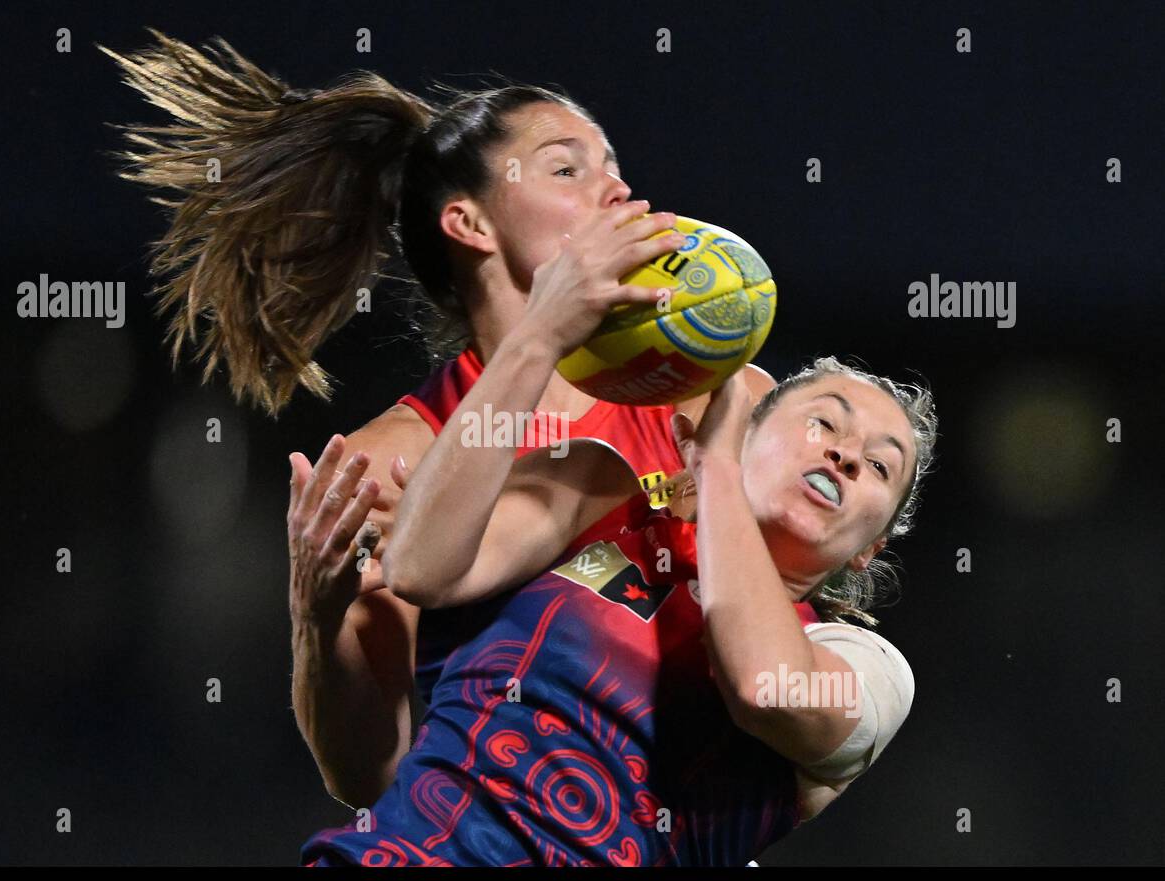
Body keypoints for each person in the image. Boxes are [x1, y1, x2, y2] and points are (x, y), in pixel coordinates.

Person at [101, 31, 779, 810]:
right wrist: (317, 626)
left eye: (615, 171)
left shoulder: (704, 399)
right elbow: (367, 774)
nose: (617, 192)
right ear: (470, 224)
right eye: (569, 169)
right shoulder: (392, 462)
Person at [297, 337, 938, 865]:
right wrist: (323, 615)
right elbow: (419, 571)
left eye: (881, 467)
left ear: (869, 549)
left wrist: (714, 468)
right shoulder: (599, 492)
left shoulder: (864, 668)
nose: (847, 455)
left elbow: (765, 688)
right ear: (751, 431)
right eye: (823, 421)